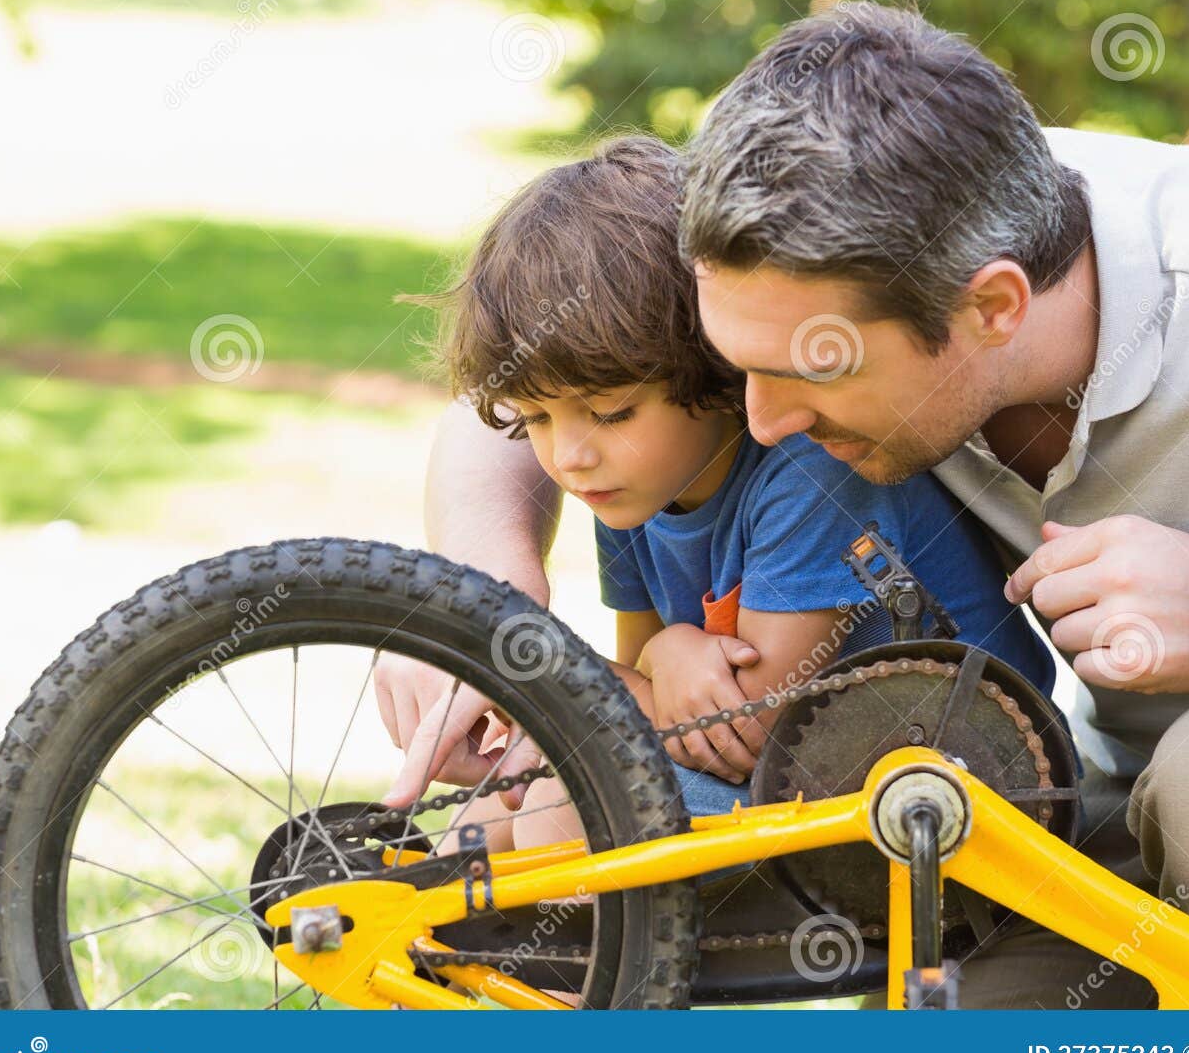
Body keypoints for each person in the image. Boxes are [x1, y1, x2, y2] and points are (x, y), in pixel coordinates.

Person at [382, 4, 1189, 1007]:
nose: (758, 421)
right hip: (1080, 819)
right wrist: (488, 609)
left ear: (990, 308)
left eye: (810, 370)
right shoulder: (811, 243)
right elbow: (539, 379)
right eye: (730, 366)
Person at [375, 134, 1056, 853]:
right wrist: (656, 661)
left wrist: (548, 661)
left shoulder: (808, 472)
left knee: (562, 808)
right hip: (814, 778)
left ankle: (601, 967)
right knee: (480, 826)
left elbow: (741, 731)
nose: (570, 457)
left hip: (967, 786)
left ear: (714, 364)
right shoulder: (628, 489)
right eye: (538, 418)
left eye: (611, 413)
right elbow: (643, 688)